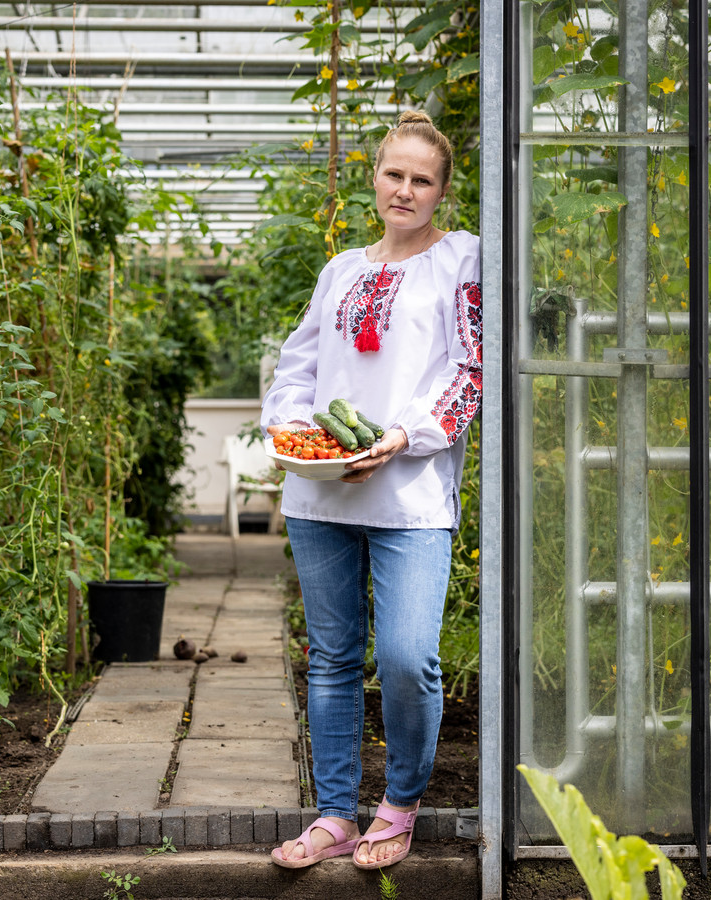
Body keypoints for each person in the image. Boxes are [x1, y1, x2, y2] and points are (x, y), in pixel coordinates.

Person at [261, 110, 481, 870]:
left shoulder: (461, 260)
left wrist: (400, 436)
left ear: (442, 192)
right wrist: (294, 433)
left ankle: (400, 802)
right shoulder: (342, 269)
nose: (406, 190)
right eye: (394, 174)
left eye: (422, 180)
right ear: (374, 178)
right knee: (329, 657)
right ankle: (333, 816)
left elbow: (470, 371)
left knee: (407, 656)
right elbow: (298, 367)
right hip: (321, 492)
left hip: (410, 492)